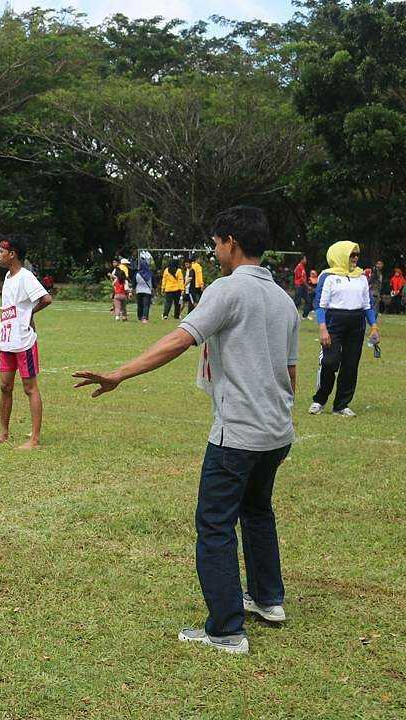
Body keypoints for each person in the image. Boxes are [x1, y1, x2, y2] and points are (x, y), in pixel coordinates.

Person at [74, 206, 299, 655]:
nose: (214, 252)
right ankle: (268, 600)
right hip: (277, 433)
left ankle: (226, 630)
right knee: (257, 512)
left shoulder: (227, 289)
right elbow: (290, 375)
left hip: (237, 434)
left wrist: (120, 374)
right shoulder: (284, 299)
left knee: (214, 524)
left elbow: (180, 339)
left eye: (216, 243)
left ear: (231, 242)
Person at [0, 236, 52, 450]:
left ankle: (34, 439)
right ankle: (3, 433)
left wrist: (28, 315)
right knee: (5, 386)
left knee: (29, 388)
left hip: (24, 341)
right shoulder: (8, 276)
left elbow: (46, 299)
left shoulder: (26, 277)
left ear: (12, 254)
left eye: (1, 251)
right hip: (6, 341)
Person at [309, 241, 379, 417]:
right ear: (340, 255)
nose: (355, 258)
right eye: (351, 255)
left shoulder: (361, 276)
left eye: (357, 255)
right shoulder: (328, 276)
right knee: (329, 361)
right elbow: (320, 305)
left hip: (357, 323)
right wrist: (323, 328)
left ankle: (341, 405)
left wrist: (374, 326)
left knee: (350, 365)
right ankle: (319, 400)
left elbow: (367, 305)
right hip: (334, 322)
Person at [134, 255, 154, 324]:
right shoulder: (150, 273)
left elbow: (134, 282)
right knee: (146, 305)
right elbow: (154, 282)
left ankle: (139, 317)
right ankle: (145, 318)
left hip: (138, 291)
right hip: (147, 291)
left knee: (139, 305)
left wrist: (133, 289)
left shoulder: (137, 274)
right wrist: (154, 288)